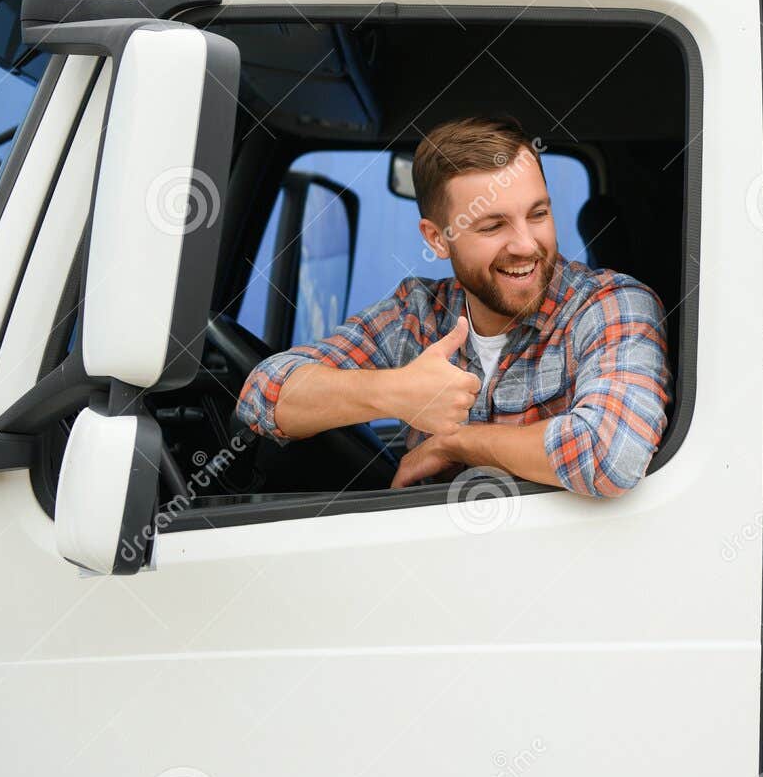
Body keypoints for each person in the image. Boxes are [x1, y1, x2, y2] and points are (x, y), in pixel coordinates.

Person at [235, 116, 670, 498]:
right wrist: (394, 393)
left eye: (537, 215)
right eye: (493, 225)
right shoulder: (416, 313)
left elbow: (611, 455)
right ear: (437, 238)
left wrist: (457, 443)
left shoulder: (610, 305)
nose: (525, 245)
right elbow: (263, 396)